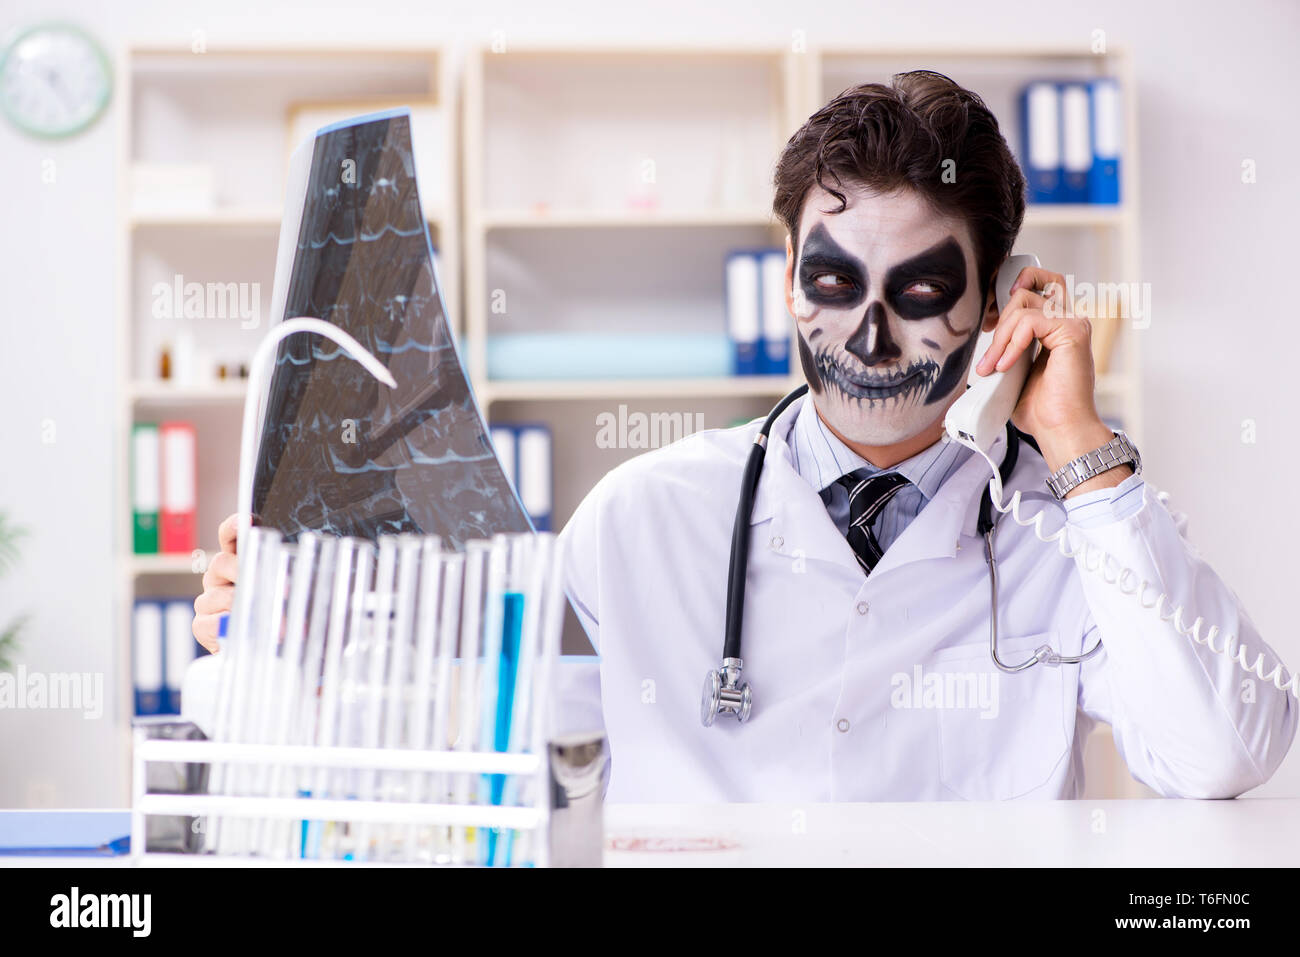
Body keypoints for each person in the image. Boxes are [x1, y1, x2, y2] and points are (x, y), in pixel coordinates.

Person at [194, 71, 1295, 803]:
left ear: (1005, 298)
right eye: (832, 280)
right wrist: (294, 637)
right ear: (785, 287)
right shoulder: (643, 515)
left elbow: (1223, 755)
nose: (868, 334)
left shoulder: (1077, 530)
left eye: (920, 289)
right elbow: (485, 754)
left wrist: (1076, 441)